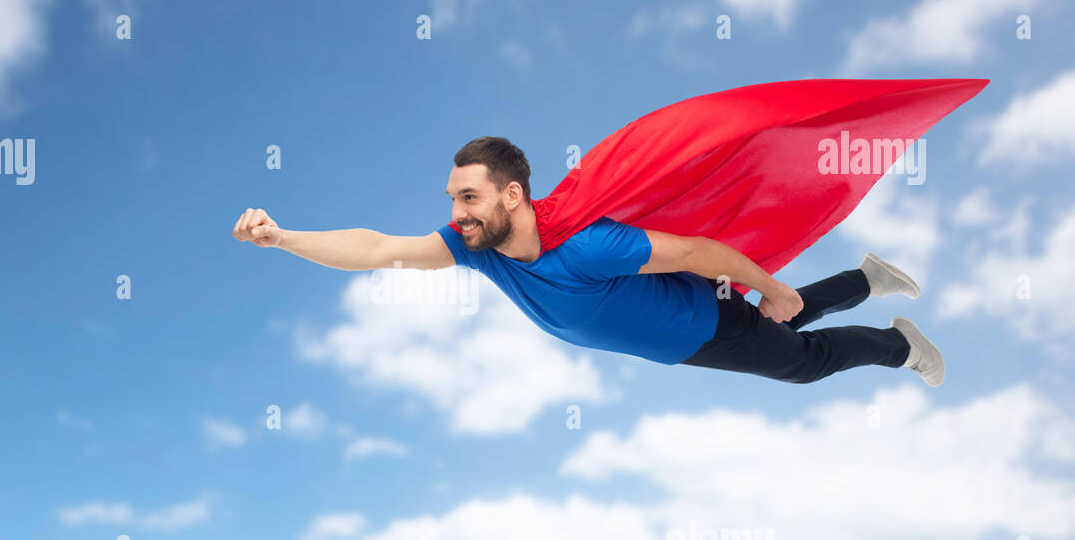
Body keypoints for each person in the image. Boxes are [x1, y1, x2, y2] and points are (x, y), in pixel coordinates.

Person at [231, 136, 944, 386]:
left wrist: (770, 284)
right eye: (453, 199)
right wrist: (285, 237)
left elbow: (696, 251)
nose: (458, 213)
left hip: (702, 323)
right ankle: (864, 278)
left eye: (470, 197)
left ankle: (897, 344)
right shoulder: (480, 253)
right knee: (783, 320)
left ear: (513, 194)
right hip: (687, 336)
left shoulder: (588, 244)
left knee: (803, 359)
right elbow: (379, 248)